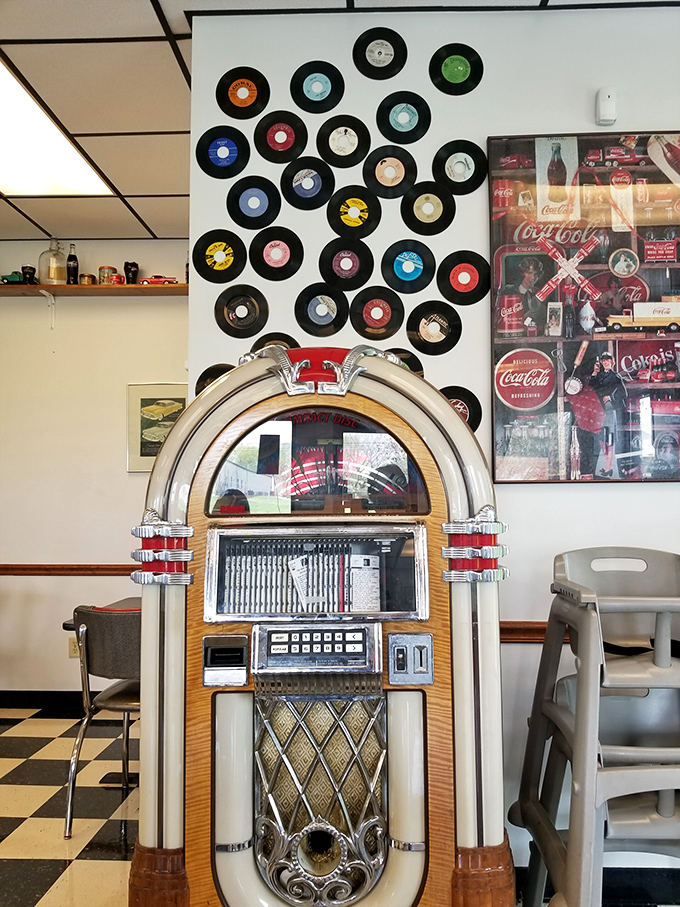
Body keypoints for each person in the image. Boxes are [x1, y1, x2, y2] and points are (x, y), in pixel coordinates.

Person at [588, 351, 627, 477]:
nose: (606, 363)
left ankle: (609, 467)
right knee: (601, 438)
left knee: (609, 438)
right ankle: (607, 466)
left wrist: (611, 397)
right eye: (604, 361)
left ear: (613, 362)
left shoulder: (616, 376)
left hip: (609, 410)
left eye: (608, 360)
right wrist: (594, 372)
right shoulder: (599, 376)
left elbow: (623, 393)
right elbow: (590, 387)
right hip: (599, 411)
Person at [514, 257, 546, 331]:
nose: (532, 278)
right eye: (529, 273)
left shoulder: (541, 293)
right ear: (522, 273)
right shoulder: (513, 293)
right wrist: (525, 316)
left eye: (536, 274)